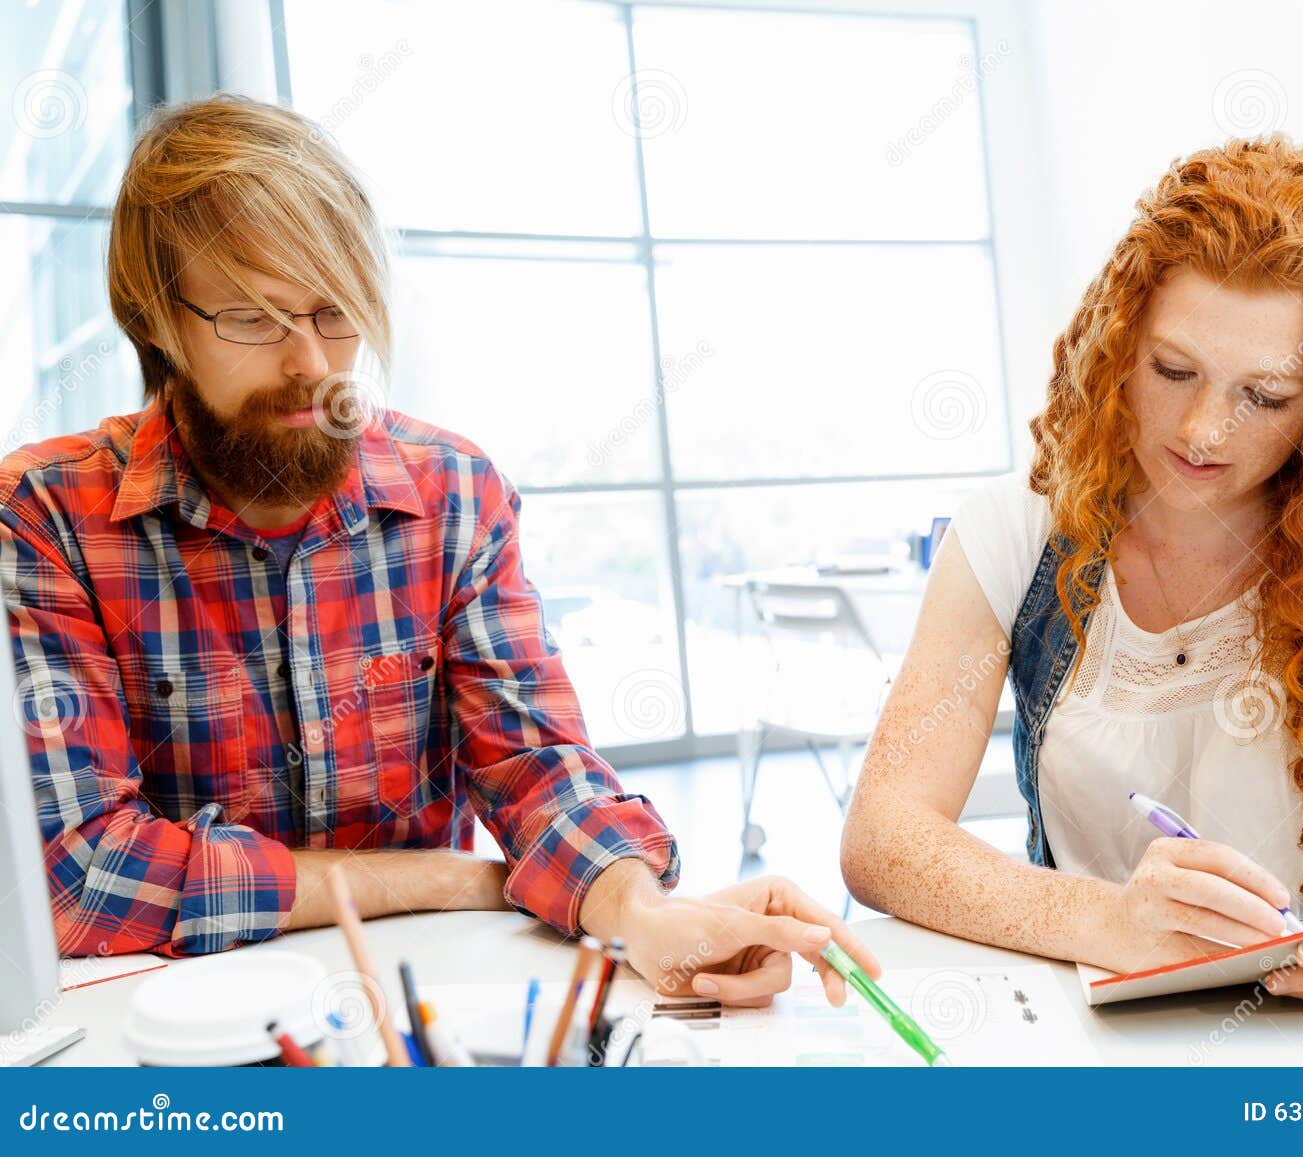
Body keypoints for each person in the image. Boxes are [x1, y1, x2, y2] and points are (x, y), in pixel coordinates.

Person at [0, 94, 877, 1008]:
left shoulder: (452, 493)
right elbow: (81, 877)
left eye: (335, 310)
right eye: (254, 319)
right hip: (181, 1031)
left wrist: (640, 913)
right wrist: (460, 878)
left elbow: (541, 771)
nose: (311, 362)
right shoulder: (48, 515)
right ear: (156, 320)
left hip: (425, 1007)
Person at [841, 136, 1303, 1011]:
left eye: (1265, 397)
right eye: (1173, 371)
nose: (1203, 430)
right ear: (1120, 344)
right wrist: (1110, 919)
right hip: (1073, 1048)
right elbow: (882, 836)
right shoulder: (1019, 531)